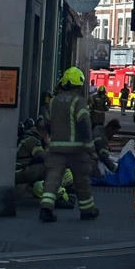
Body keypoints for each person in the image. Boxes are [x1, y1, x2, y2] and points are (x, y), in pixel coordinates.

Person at [39, 66, 99, 223]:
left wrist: (50, 140)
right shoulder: (79, 102)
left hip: (56, 147)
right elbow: (84, 125)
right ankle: (87, 211)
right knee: (81, 180)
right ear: (79, 85)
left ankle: (46, 208)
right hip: (76, 149)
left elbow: (47, 123)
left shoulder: (53, 102)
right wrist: (90, 148)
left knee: (52, 179)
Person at [15, 117, 49, 190]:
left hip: (20, 171)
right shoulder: (32, 140)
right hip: (18, 172)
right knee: (44, 168)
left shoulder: (29, 136)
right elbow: (41, 155)